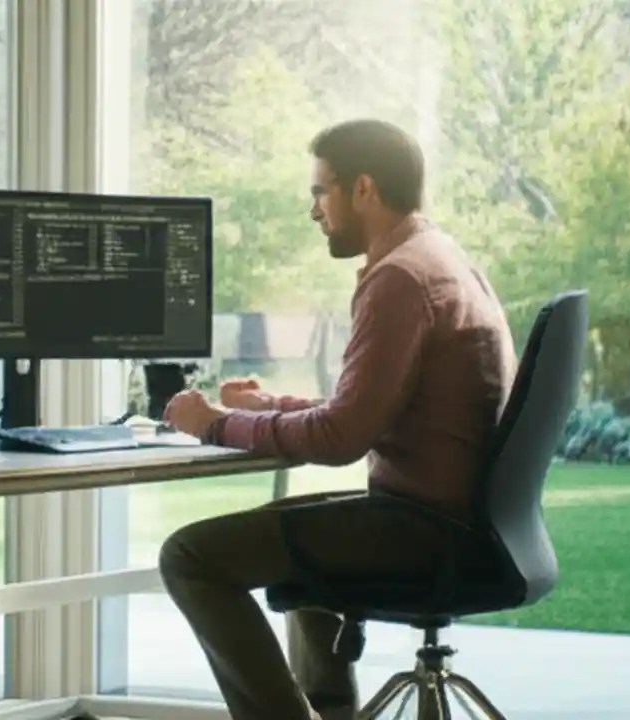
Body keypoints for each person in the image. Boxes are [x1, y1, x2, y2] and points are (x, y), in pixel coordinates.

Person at [158, 118, 517, 720]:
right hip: (459, 525)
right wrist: (269, 407)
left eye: (320, 192)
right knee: (293, 534)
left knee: (189, 557)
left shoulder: (400, 278)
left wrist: (213, 424)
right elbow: (363, 411)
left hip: (426, 532)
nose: (314, 211)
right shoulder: (439, 259)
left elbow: (339, 438)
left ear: (363, 189)